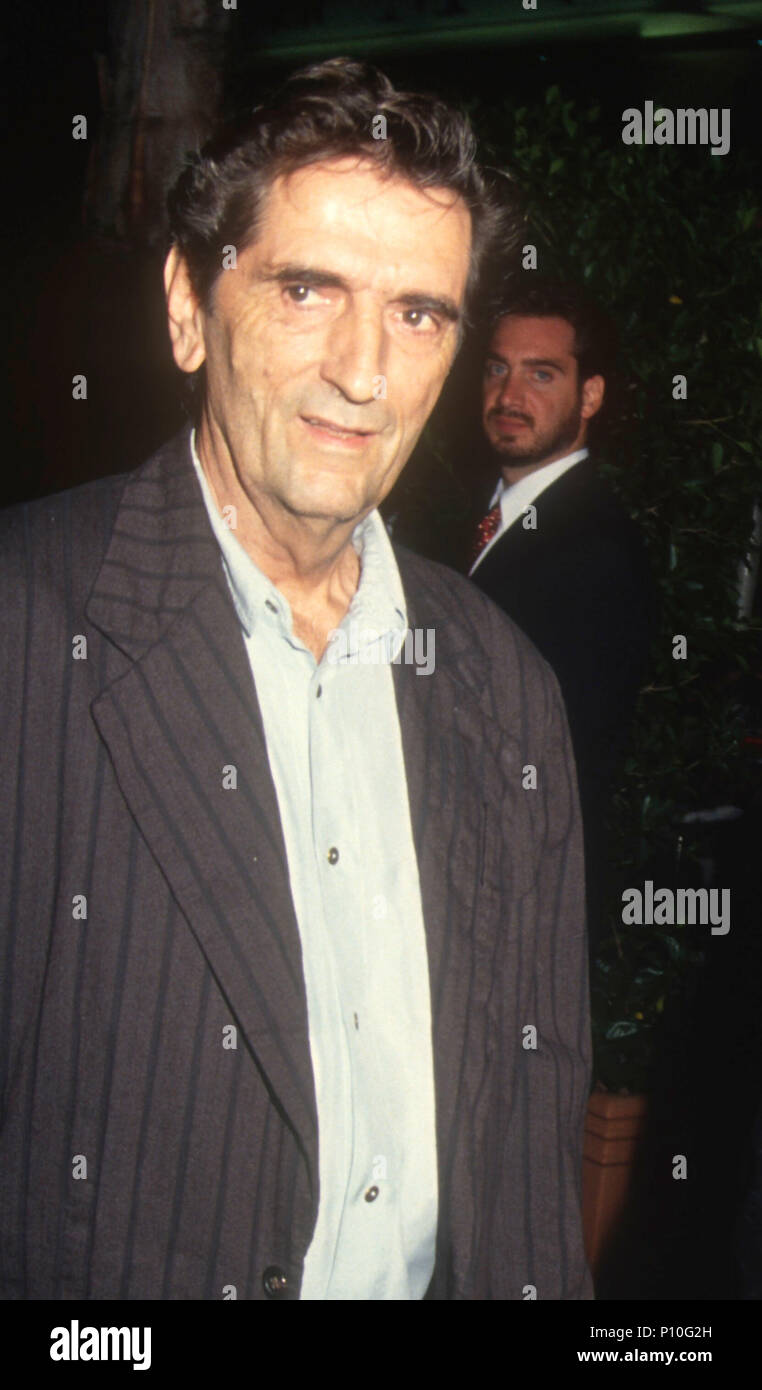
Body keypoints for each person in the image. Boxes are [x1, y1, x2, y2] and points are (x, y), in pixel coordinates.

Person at [0, 60, 592, 1301]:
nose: (364, 371)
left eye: (421, 313)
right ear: (185, 306)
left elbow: (530, 1175)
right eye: (310, 289)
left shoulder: (507, 687)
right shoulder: (27, 629)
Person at [468, 281, 651, 952]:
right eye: (497, 367)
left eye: (541, 374)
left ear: (591, 396)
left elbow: (554, 768)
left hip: (509, 906)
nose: (509, 396)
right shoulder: (470, 517)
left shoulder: (596, 550)